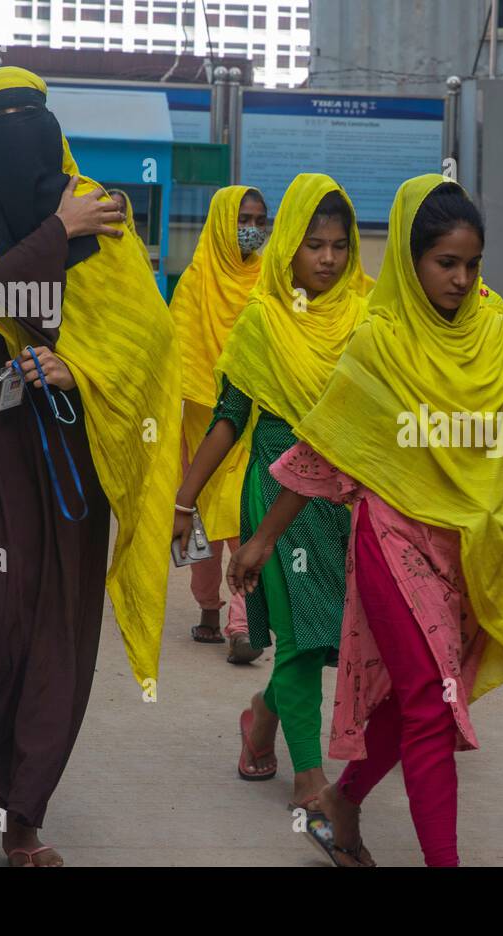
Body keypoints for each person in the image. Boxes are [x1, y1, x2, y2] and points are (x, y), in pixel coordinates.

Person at [228, 175, 503, 867]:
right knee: (432, 706)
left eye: (472, 264)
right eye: (445, 263)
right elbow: (330, 448)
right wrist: (261, 539)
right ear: (409, 258)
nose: (461, 280)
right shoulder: (380, 342)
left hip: (466, 544)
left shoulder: (495, 333)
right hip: (392, 537)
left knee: (421, 696)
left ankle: (344, 800)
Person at [0, 67, 181, 868]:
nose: (14, 130)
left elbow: (146, 331)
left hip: (68, 435)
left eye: (28, 116)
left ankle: (19, 814)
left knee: (56, 631)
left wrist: (83, 368)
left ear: (53, 128)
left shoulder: (97, 199)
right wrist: (57, 232)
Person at [173, 173, 368, 819]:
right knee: (303, 643)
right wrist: (185, 499)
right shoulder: (263, 318)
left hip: (340, 499)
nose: (328, 259)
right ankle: (310, 779)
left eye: (340, 246)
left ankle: (259, 722)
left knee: (326, 636)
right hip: (276, 492)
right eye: (315, 245)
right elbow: (229, 414)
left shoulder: (367, 319)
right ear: (290, 246)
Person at [169, 185, 269, 662]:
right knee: (202, 515)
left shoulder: (272, 279)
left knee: (242, 510)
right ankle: (209, 609)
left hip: (253, 415)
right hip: (201, 419)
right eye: (242, 219)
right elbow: (177, 355)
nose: (251, 229)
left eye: (259, 220)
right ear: (222, 223)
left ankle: (241, 622)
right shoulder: (196, 281)